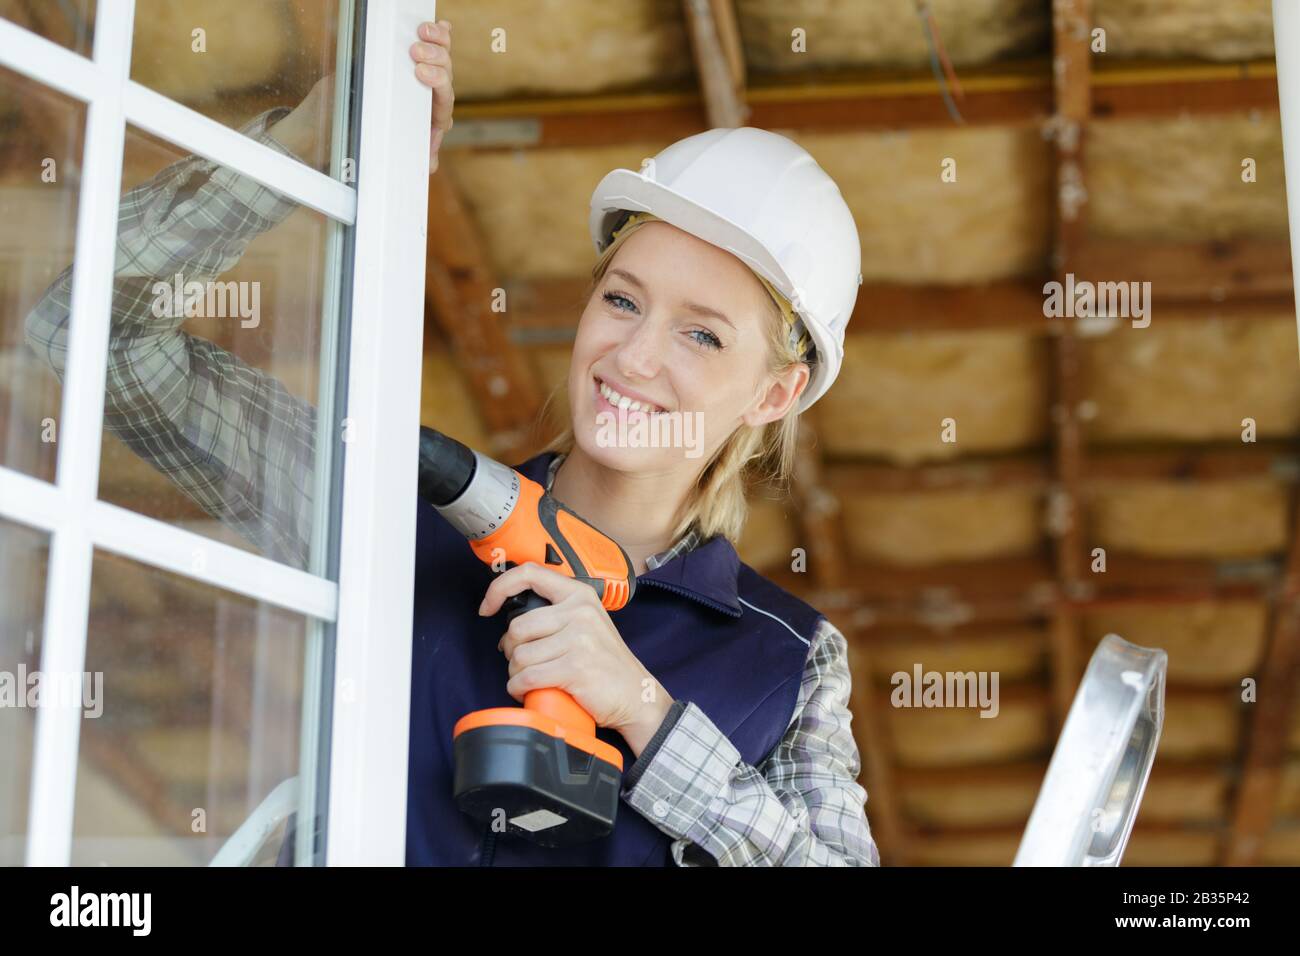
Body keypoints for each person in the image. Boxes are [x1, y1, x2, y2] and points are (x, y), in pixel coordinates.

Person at [26, 19, 880, 867]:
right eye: (623, 300)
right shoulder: (390, 513)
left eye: (703, 336)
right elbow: (87, 331)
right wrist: (310, 152)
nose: (636, 357)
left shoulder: (789, 663)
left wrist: (646, 717)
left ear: (775, 392)